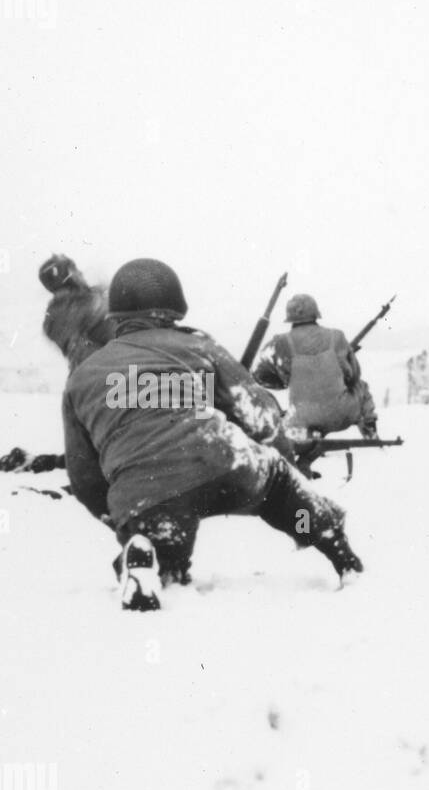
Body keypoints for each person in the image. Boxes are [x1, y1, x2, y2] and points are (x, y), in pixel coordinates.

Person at [62, 258, 364, 610]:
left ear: (115, 315)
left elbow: (83, 475)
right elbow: (260, 415)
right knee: (281, 488)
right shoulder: (198, 348)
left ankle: (148, 555)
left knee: (160, 536)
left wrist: (122, 514)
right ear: (174, 308)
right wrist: (288, 468)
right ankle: (340, 555)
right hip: (220, 461)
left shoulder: (81, 378)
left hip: (144, 491)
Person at [253, 293, 378, 437]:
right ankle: (370, 431)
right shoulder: (336, 336)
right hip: (342, 416)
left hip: (301, 420)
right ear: (315, 313)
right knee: (361, 386)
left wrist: (285, 382)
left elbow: (259, 376)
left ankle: (310, 437)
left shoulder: (279, 342)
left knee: (296, 415)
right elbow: (353, 376)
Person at [39, 253, 114, 370]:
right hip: (103, 375)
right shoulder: (60, 313)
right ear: (66, 278)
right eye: (74, 270)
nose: (80, 273)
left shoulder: (94, 294)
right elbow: (81, 351)